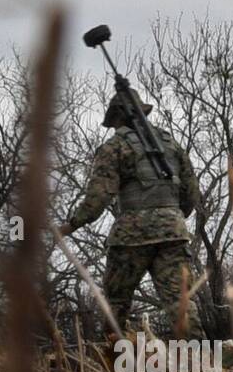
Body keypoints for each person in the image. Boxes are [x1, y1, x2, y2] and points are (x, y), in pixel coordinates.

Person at [59, 89, 204, 341]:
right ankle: (205, 370)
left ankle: (115, 369)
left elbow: (97, 199)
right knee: (180, 302)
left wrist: (70, 225)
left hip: (131, 237)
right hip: (173, 232)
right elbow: (191, 195)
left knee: (116, 304)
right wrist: (171, 217)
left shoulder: (114, 146)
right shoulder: (171, 144)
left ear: (117, 118)